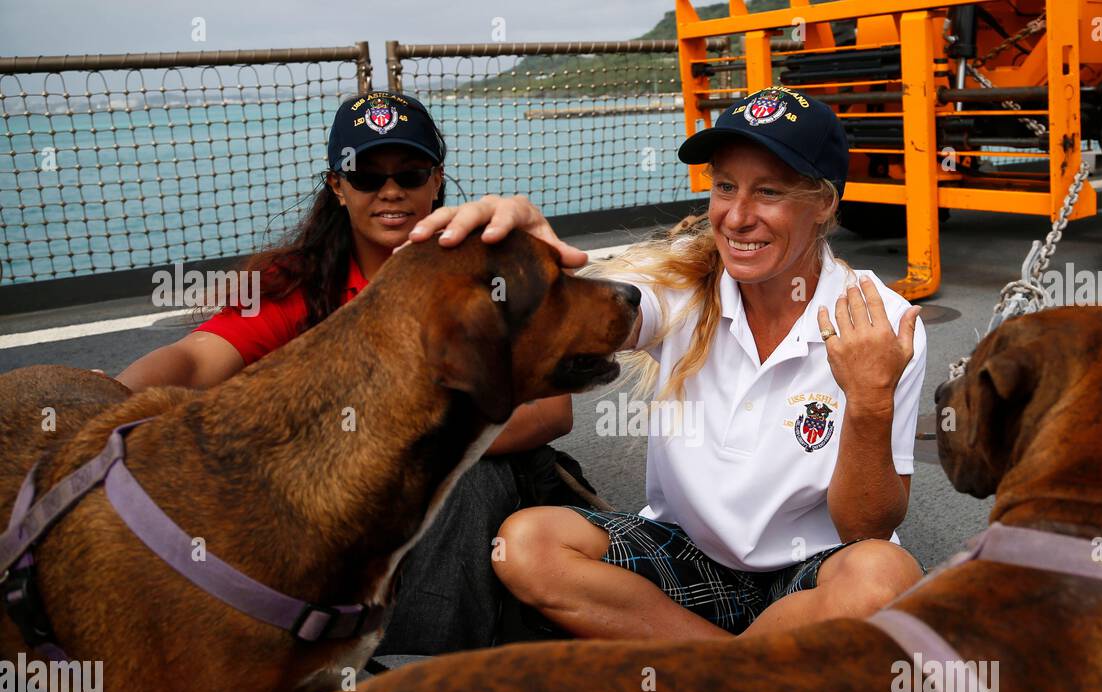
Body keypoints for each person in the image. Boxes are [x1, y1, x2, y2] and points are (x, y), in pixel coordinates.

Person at [409, 86, 927, 642]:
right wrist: (527, 263)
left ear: (824, 202)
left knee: (883, 577)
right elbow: (608, 313)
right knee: (526, 544)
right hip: (688, 558)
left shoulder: (882, 326)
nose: (737, 217)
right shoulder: (685, 282)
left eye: (769, 191)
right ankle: (737, 672)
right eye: (725, 186)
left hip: (809, 570)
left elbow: (866, 528)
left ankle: (700, 676)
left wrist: (871, 401)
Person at [117, 90, 583, 655]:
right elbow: (195, 359)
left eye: (410, 173)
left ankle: (411, 673)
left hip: (476, 479)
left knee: (459, 477)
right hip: (343, 496)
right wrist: (110, 397)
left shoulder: (486, 268)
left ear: (436, 180)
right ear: (338, 187)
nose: (391, 191)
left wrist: (407, 438)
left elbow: (553, 410)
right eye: (366, 177)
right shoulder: (303, 282)